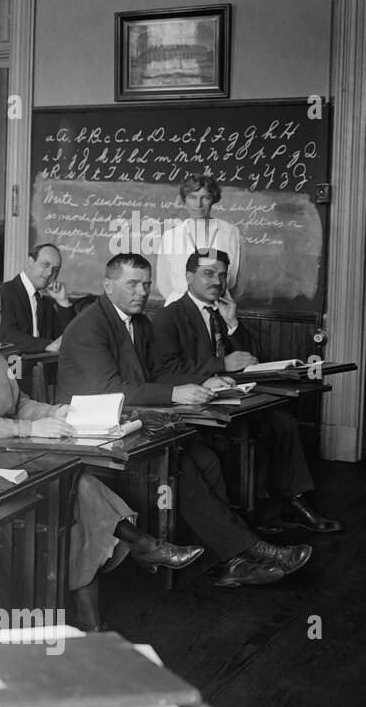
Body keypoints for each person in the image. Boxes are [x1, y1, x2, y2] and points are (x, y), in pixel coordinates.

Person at [0, 275, 204, 630]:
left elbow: (19, 403)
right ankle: (141, 546)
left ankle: (98, 613)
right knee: (73, 486)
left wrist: (53, 412)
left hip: (11, 450)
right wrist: (31, 428)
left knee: (73, 496)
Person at [57, 253, 312, 587]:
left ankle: (228, 560)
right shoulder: (90, 325)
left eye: (146, 284)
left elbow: (160, 371)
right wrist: (176, 393)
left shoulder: (141, 323)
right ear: (108, 286)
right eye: (132, 283)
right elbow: (110, 388)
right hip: (89, 432)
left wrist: (203, 381)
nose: (142, 291)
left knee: (207, 459)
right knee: (185, 468)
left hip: (130, 421)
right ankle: (248, 549)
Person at [151, 249, 339, 533]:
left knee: (284, 423)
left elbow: (254, 357)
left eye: (223, 275)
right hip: (197, 404)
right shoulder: (170, 317)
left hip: (232, 396)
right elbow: (164, 369)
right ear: (189, 277)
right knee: (254, 431)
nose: (218, 281)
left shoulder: (221, 311)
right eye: (209, 273)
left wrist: (233, 323)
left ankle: (293, 503)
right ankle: (250, 518)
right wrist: (219, 364)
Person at [156, 174, 243, 305]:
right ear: (184, 200)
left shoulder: (231, 233)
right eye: (192, 197)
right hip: (179, 308)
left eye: (205, 198)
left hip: (218, 308)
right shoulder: (171, 236)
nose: (198, 204)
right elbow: (163, 283)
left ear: (213, 199)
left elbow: (238, 284)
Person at [0, 243, 75, 353]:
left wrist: (62, 301)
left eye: (56, 269)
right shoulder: (5, 292)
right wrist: (45, 345)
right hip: (13, 368)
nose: (50, 273)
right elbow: (6, 336)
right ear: (30, 262)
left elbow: (67, 339)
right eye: (45, 264)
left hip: (41, 367)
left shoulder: (45, 301)